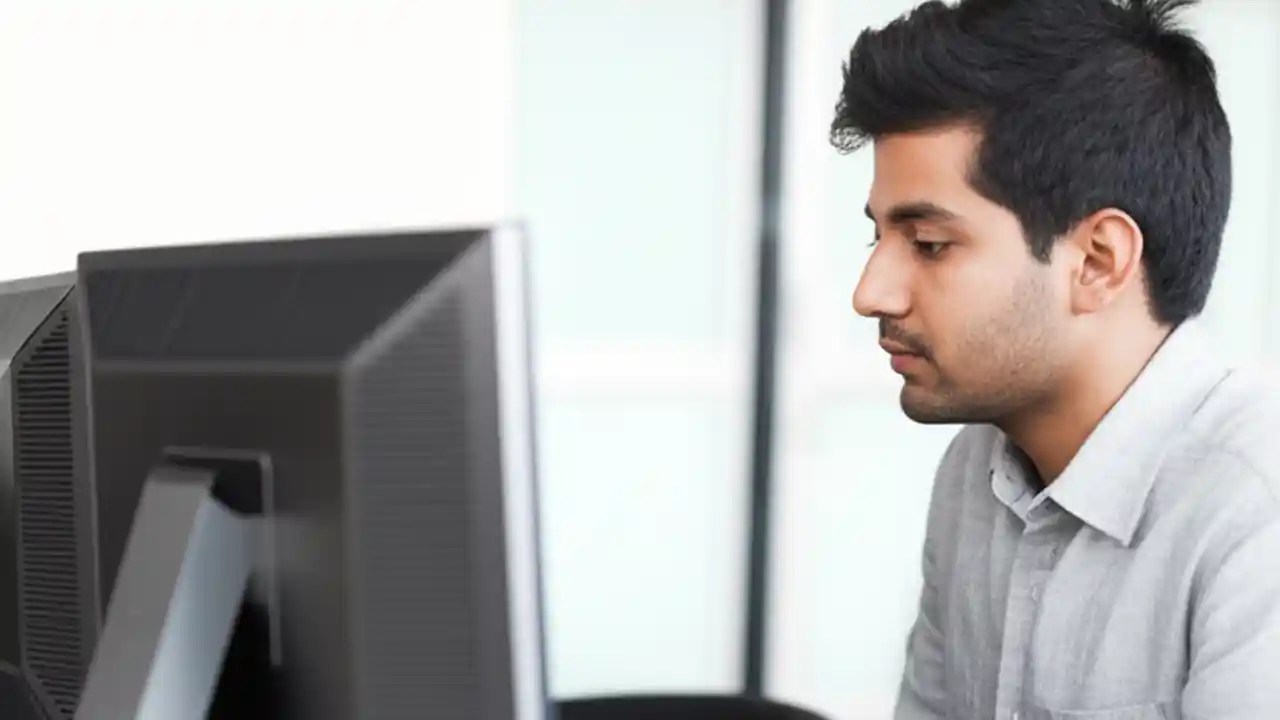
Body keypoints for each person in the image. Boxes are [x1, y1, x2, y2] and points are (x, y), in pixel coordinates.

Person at [835, 0, 1280, 717]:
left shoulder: (1256, 513)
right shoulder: (972, 476)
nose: (870, 293)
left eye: (929, 245)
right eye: (877, 239)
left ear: (1099, 261)